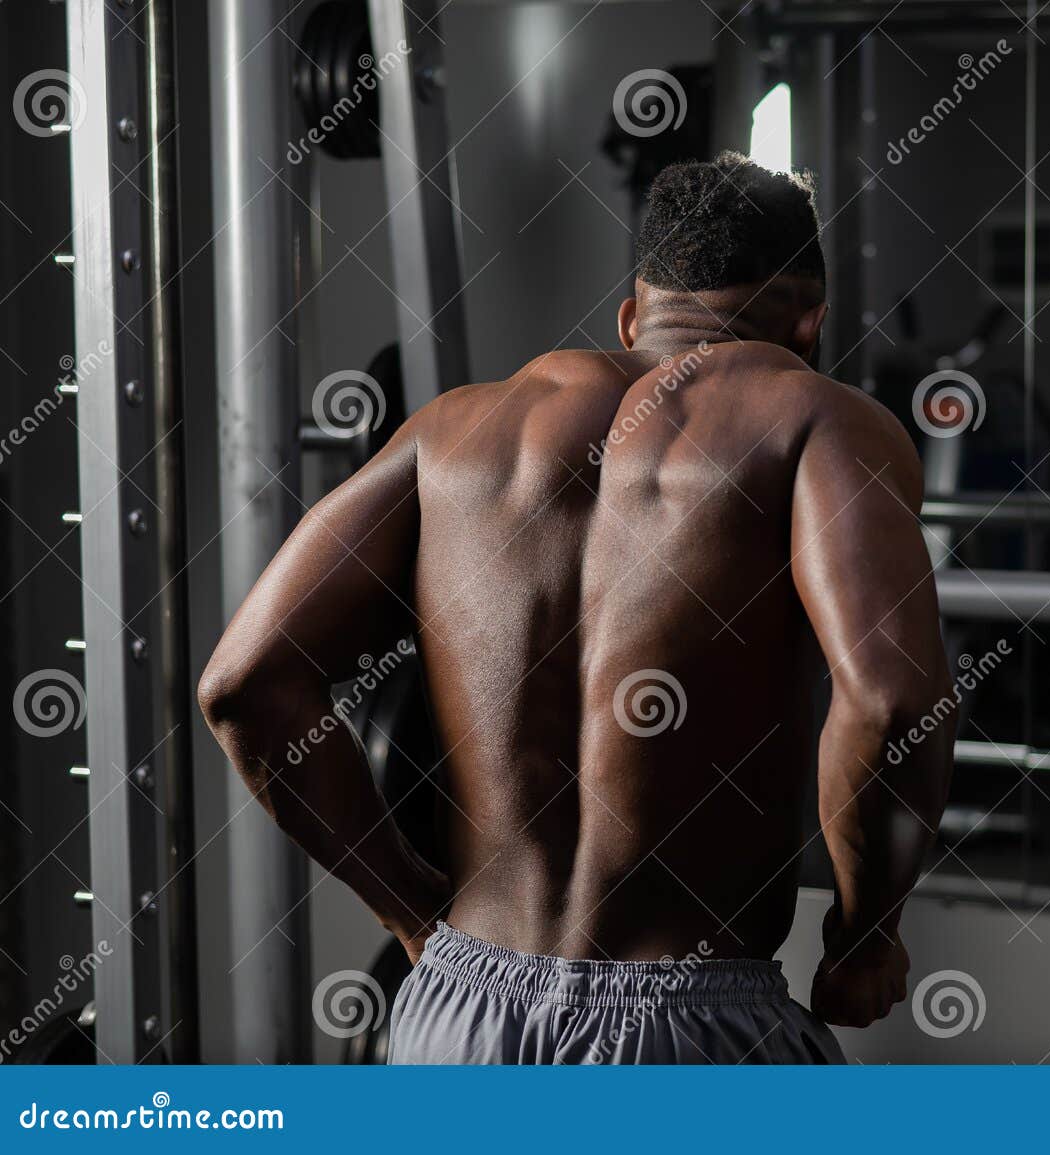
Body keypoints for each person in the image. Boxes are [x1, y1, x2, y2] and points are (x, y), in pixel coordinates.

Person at [198, 153, 955, 1064]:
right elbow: (891, 700)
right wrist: (864, 936)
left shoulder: (452, 430)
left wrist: (409, 909)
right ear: (811, 321)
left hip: (455, 1014)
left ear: (635, 316)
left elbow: (245, 680)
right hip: (689, 1026)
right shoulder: (819, 420)